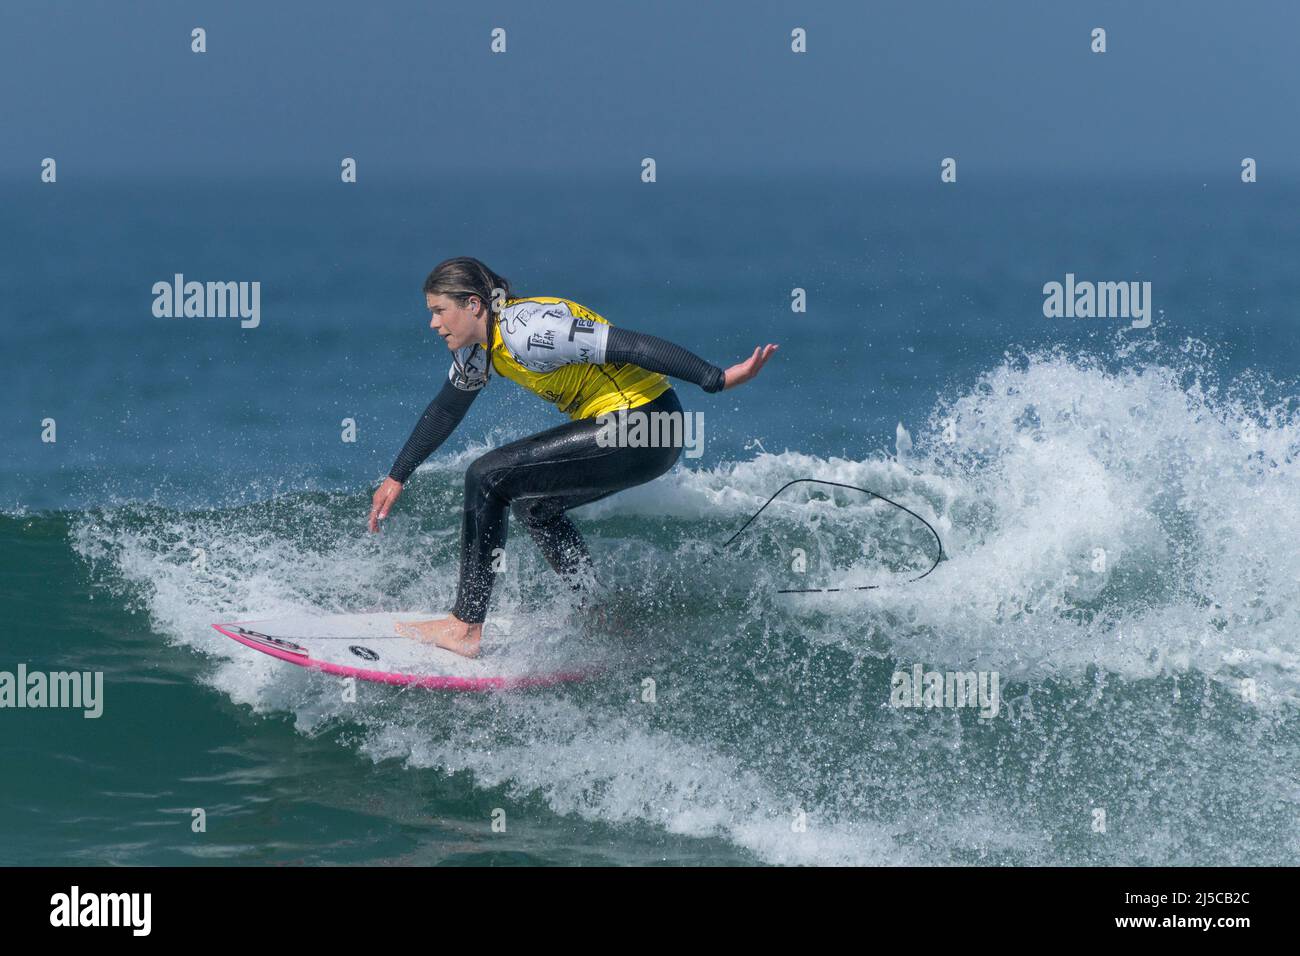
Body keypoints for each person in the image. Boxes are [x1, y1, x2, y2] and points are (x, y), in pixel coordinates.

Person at [368, 257, 777, 657]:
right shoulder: (479, 349)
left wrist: (716, 379)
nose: (433, 323)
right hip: (646, 434)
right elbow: (447, 408)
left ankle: (464, 626)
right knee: (536, 506)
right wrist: (397, 475)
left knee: (486, 476)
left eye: (440, 311)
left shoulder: (529, 329)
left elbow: (630, 344)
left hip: (644, 424)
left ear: (473, 304)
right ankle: (597, 612)